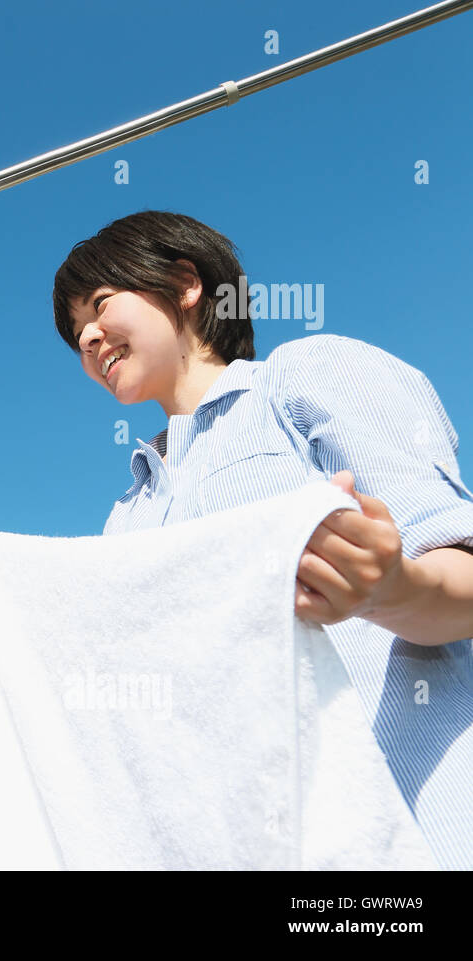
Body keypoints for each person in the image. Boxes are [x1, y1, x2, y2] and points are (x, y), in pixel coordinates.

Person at [52, 209, 473, 869]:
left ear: (186, 284)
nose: (88, 337)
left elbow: (462, 577)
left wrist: (392, 587)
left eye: (101, 304)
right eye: (76, 332)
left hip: (415, 832)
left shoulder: (302, 377)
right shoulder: (125, 516)